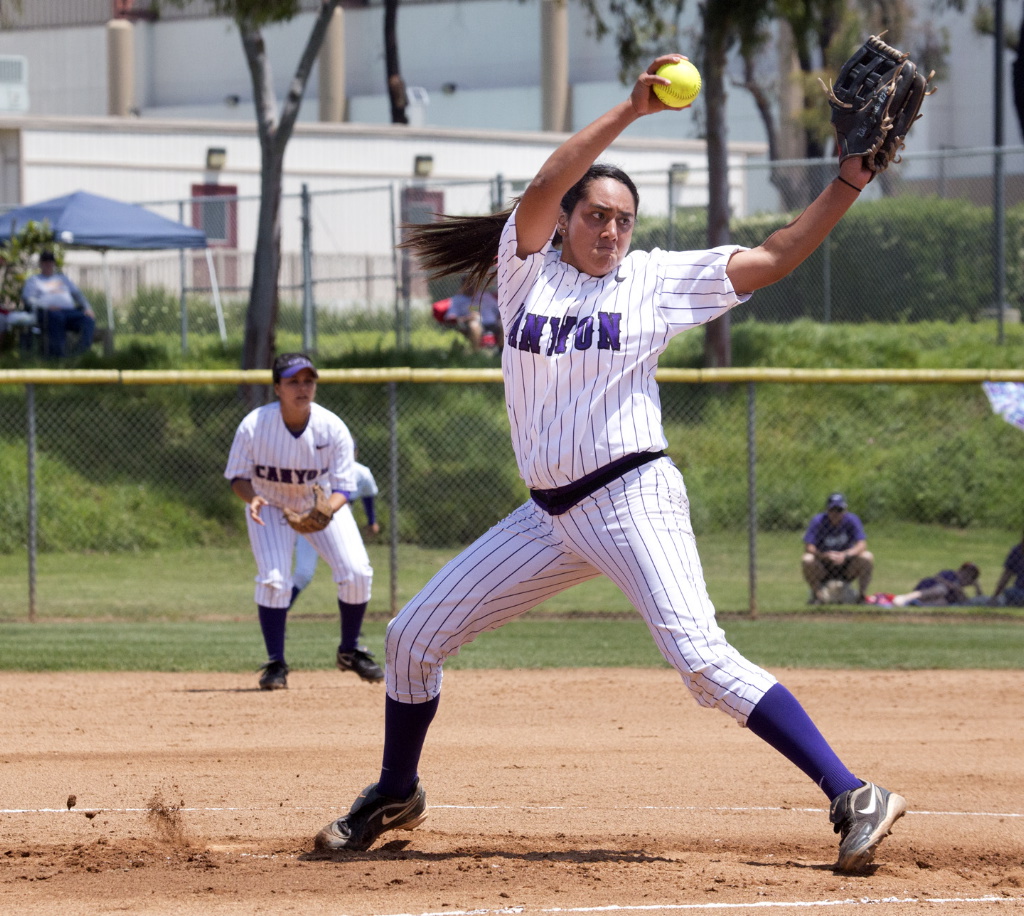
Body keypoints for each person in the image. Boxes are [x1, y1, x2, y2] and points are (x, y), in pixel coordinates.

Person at [313, 55, 906, 873]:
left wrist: (849, 180)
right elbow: (543, 184)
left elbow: (774, 257)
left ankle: (853, 793)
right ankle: (395, 789)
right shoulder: (526, 274)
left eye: (624, 219)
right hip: (550, 518)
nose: (611, 231)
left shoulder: (654, 282)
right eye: (596, 215)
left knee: (701, 661)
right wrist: (630, 109)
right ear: (564, 220)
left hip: (633, 497)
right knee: (412, 637)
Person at [224, 352, 384, 691]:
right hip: (268, 504)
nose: (302, 387)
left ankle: (350, 650)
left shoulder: (332, 427)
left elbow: (344, 485)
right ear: (277, 388)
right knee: (274, 580)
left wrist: (325, 511)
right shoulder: (254, 425)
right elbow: (237, 477)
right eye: (293, 381)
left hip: (320, 503)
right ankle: (275, 663)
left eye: (308, 380)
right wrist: (251, 497)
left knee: (357, 572)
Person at [291, 450, 382, 605]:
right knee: (303, 574)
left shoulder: (362, 473)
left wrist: (371, 521)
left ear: (356, 452)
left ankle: (353, 625)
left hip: (342, 526)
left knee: (356, 573)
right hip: (312, 523)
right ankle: (278, 617)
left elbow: (368, 497)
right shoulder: (319, 469)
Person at [21, 250, 96, 358]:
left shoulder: (62, 278)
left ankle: (81, 354)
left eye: (50, 261)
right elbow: (28, 299)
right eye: (45, 261)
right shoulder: (34, 280)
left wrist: (88, 308)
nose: (48, 264)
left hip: (69, 312)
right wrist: (46, 306)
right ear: (40, 264)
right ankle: (58, 356)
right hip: (46, 313)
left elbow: (78, 295)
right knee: (57, 318)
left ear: (53, 263)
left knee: (88, 320)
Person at [802, 493, 874, 604]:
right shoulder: (818, 521)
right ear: (827, 510)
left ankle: (861, 597)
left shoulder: (852, 520)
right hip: (824, 566)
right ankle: (818, 597)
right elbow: (808, 546)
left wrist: (846, 555)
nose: (835, 513)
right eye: (832, 510)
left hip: (846, 566)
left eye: (839, 510)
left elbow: (862, 544)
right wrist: (824, 555)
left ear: (845, 510)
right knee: (807, 559)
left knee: (867, 557)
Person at [866, 562, 983, 607]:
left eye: (970, 576)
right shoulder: (950, 574)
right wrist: (953, 586)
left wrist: (976, 586)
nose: (965, 576)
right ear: (960, 570)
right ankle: (905, 598)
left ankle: (916, 605)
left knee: (944, 602)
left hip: (934, 600)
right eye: (965, 572)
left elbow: (966, 602)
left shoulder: (960, 590)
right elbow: (937, 578)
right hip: (927, 589)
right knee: (941, 590)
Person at [989, 530, 1024, 607]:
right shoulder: (1017, 551)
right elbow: (1006, 576)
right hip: (1019, 591)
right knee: (1009, 593)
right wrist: (994, 597)